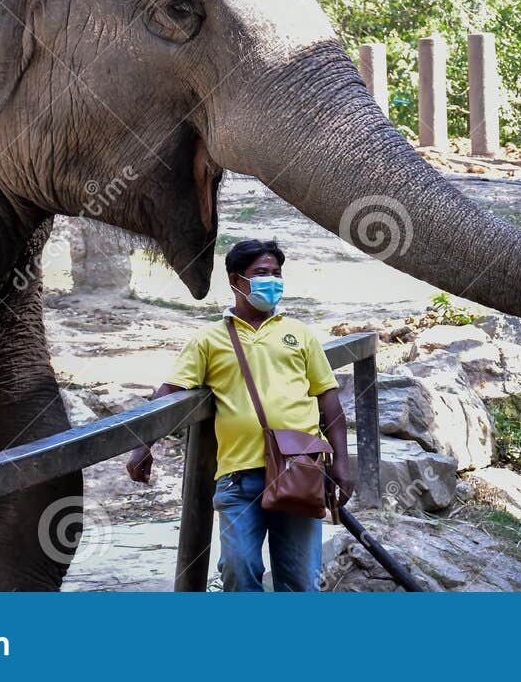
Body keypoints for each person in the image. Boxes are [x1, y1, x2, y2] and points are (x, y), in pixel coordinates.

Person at [126, 239, 353, 591]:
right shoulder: (209, 339)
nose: (272, 281)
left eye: (276, 274)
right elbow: (171, 390)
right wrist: (143, 444)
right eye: (261, 273)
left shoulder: (299, 335)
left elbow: (328, 398)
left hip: (300, 469)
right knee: (238, 569)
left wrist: (342, 461)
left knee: (299, 582)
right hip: (238, 477)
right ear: (236, 282)